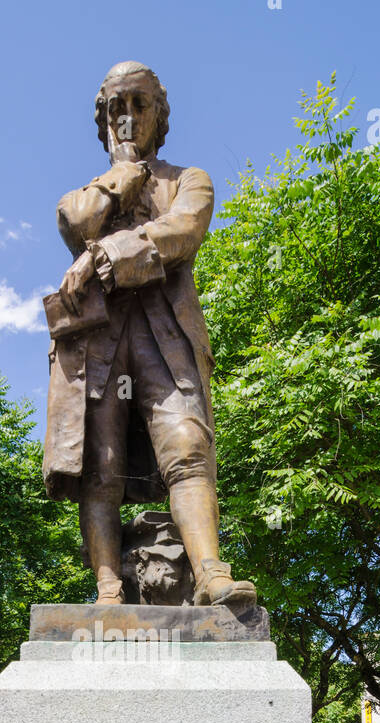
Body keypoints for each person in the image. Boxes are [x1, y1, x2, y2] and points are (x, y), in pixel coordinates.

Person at [43, 60, 257, 610]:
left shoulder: (190, 180)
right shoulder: (84, 194)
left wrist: (103, 256)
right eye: (117, 107)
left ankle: (211, 573)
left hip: (166, 336)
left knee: (187, 446)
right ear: (104, 122)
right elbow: (77, 223)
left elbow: (183, 230)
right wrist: (124, 177)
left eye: (140, 105)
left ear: (159, 116)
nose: (128, 117)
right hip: (98, 343)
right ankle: (108, 589)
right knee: (101, 464)